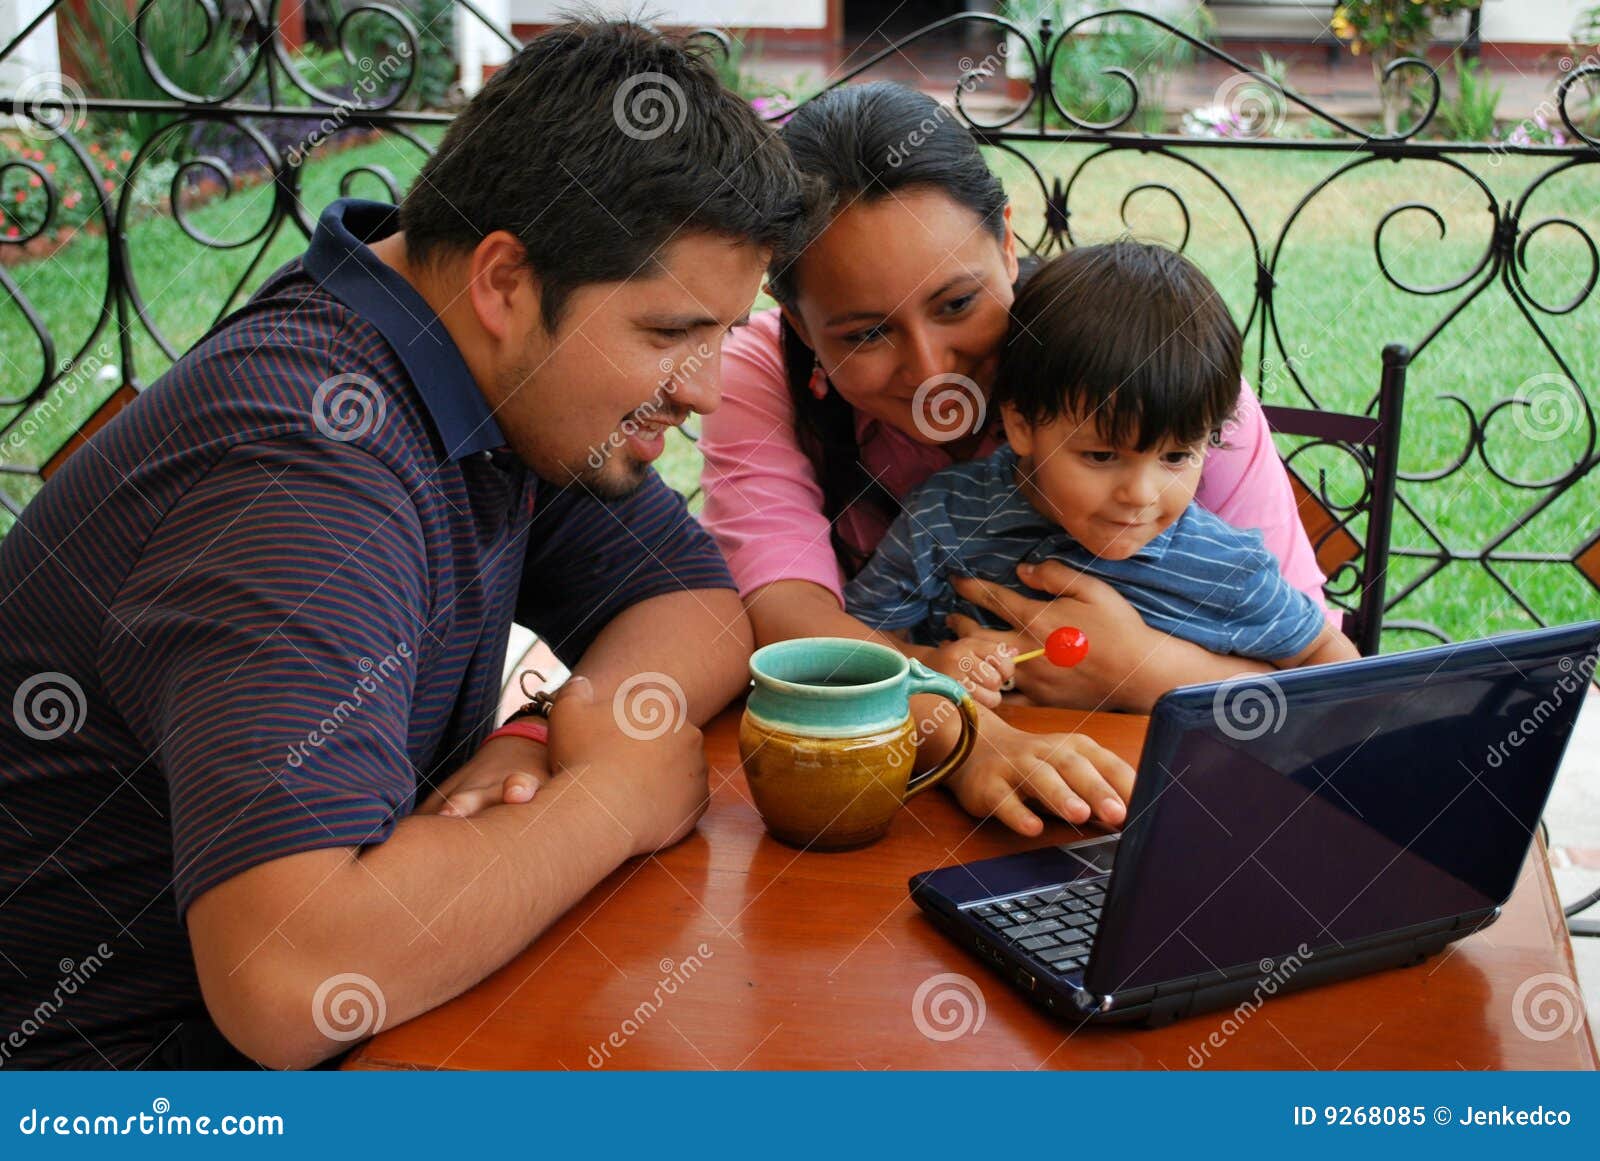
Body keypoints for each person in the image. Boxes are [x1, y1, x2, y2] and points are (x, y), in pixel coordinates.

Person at [0, 20, 801, 1069]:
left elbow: (698, 607)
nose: (702, 388)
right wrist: (607, 804)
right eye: (667, 333)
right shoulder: (307, 469)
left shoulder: (488, 376)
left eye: (724, 334)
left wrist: (564, 728)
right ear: (503, 281)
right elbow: (294, 983)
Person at [698, 82, 1331, 838]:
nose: (933, 371)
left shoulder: (1150, 376)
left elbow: (1323, 682)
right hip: (909, 803)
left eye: (958, 303)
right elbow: (791, 619)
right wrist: (967, 737)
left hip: (1176, 804)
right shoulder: (757, 375)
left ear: (1006, 240)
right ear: (796, 318)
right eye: (867, 334)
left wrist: (1143, 665)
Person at [843, 241, 1357, 691]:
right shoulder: (948, 513)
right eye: (1102, 456)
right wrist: (931, 665)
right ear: (1020, 423)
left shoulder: (1225, 569)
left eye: (1176, 456)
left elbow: (1332, 671)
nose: (1141, 493)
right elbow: (859, 641)